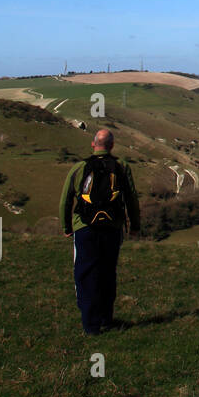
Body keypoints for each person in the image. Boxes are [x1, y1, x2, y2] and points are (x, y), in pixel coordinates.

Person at [59, 128, 140, 335]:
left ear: (93, 144)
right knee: (107, 272)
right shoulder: (122, 167)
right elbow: (131, 198)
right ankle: (106, 318)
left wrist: (67, 227)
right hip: (112, 228)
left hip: (85, 228)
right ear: (112, 146)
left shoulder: (79, 168)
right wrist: (135, 225)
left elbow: (65, 200)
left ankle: (90, 324)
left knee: (86, 274)